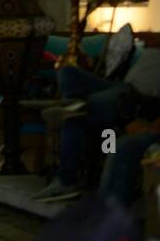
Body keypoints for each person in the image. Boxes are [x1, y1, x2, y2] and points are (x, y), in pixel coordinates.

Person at [36, 52, 160, 206]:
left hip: (135, 98)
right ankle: (74, 102)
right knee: (67, 72)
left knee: (78, 114)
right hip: (119, 86)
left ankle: (67, 180)